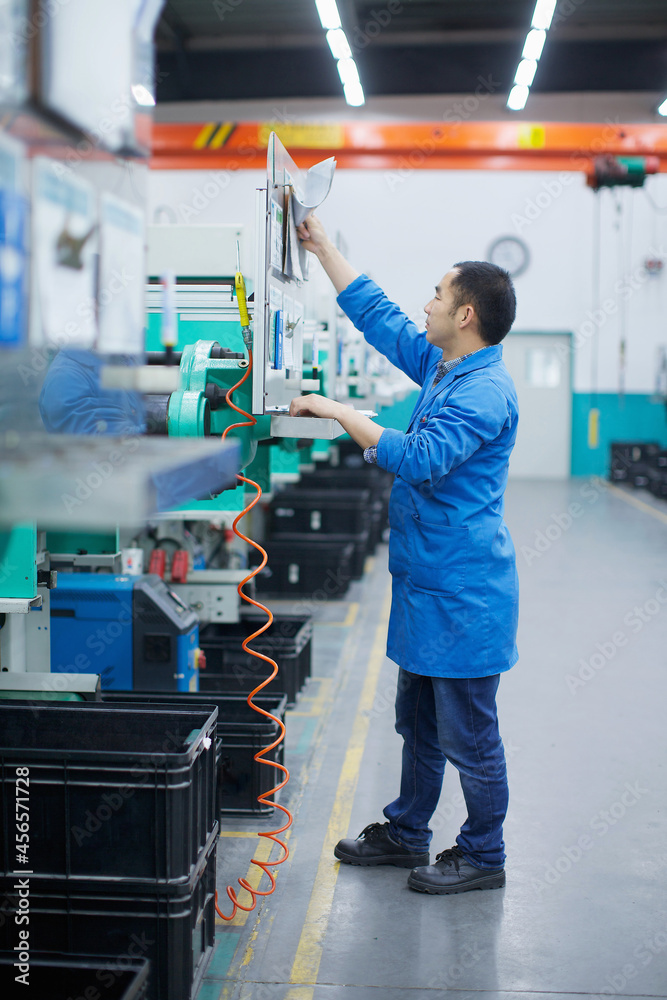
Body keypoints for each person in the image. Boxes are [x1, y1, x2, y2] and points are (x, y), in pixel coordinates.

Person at [289, 214, 519, 895]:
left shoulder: (482, 391)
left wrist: (337, 411)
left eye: (438, 295)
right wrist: (320, 245)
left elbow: (418, 458)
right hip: (425, 582)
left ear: (465, 314)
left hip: (464, 593)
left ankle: (484, 853)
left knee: (469, 737)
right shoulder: (448, 366)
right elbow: (381, 319)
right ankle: (407, 831)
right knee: (416, 721)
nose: (426, 304)